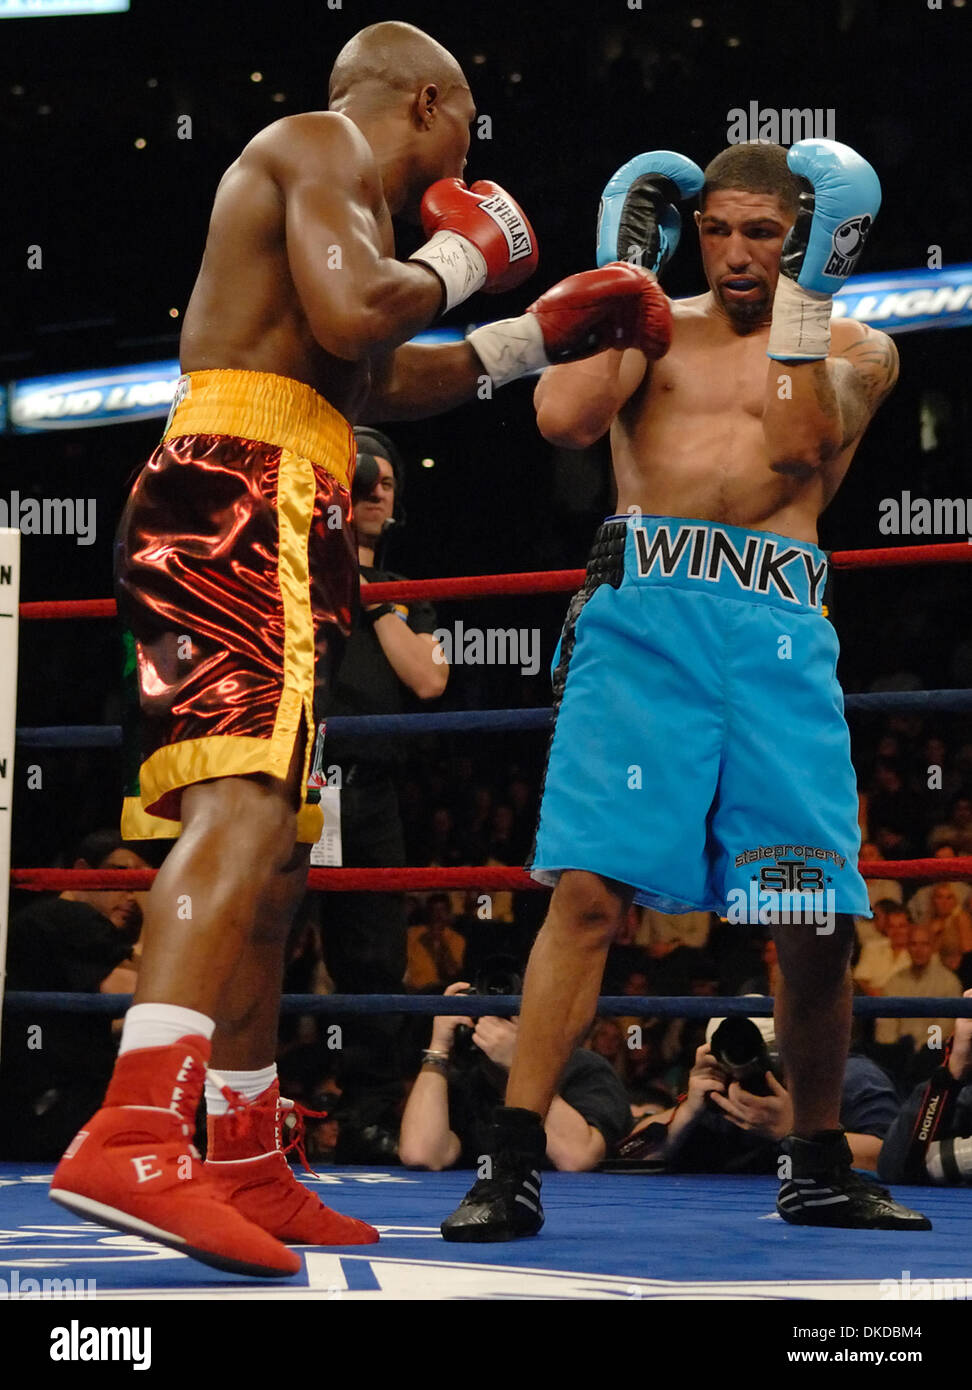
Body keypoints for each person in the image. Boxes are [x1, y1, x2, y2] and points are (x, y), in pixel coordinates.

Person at [49, 21, 670, 1277]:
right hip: (246, 492)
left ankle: (240, 1156)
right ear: (431, 104)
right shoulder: (317, 142)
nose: (461, 155)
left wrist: (526, 337)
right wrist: (466, 249)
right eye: (464, 125)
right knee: (241, 811)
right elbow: (359, 307)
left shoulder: (343, 208)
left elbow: (371, 375)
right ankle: (131, 1131)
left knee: (276, 851)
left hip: (287, 491)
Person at [442, 139, 931, 1242]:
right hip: (644, 626)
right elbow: (560, 419)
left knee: (810, 910)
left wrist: (808, 302)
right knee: (587, 892)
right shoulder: (648, 324)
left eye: (766, 231)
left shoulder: (857, 344)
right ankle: (514, 1160)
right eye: (718, 228)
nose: (738, 251)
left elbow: (801, 440)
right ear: (690, 227)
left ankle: (813, 1161)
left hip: (777, 635)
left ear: (808, 236)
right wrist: (619, 276)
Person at [314, 424, 445, 1158]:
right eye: (358, 480)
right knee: (267, 944)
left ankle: (367, 1110)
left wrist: (368, 597)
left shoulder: (409, 593)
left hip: (369, 794)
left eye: (385, 483)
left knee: (373, 959)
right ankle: (239, 1102)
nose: (373, 492)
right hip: (297, 781)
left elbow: (430, 678)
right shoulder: (293, 574)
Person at [0, 831, 149, 1159]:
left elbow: (81, 1023)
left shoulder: (45, 922)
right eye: (118, 875)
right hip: (61, 1105)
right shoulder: (70, 916)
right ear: (82, 871)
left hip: (36, 1105)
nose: (130, 894)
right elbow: (133, 989)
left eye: (139, 883)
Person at [399, 982, 631, 1172]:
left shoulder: (585, 1069)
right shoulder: (468, 1080)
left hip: (583, 1212)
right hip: (491, 1209)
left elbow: (578, 1158)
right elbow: (421, 1155)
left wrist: (520, 1064)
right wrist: (439, 1047)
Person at [875, 924, 963, 1051]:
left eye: (924, 944)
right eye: (913, 944)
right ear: (907, 947)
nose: (919, 950)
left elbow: (943, 1028)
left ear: (933, 947)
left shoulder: (949, 983)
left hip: (933, 1055)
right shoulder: (894, 982)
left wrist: (922, 1052)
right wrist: (890, 1052)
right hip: (898, 1054)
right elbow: (886, 1026)